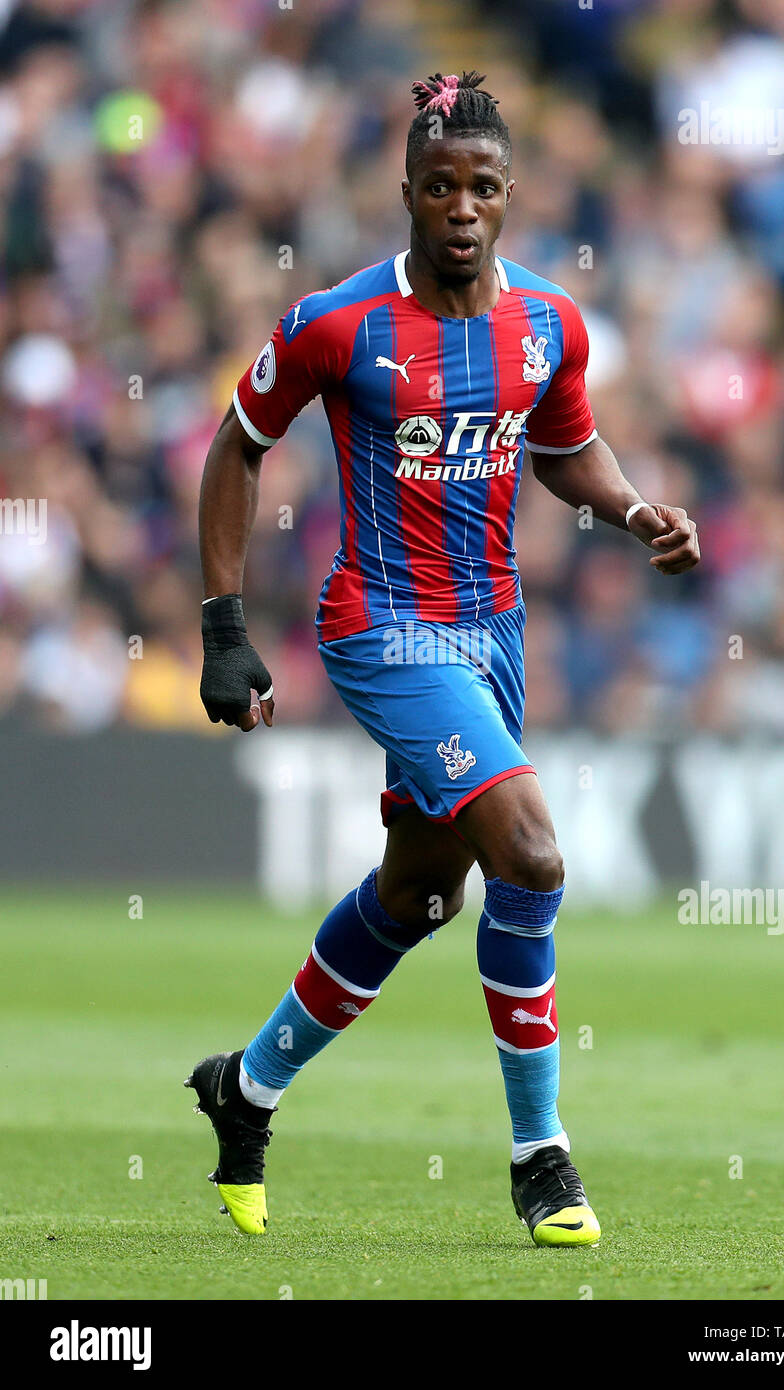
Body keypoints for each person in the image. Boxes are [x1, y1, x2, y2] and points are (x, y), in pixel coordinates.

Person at [187, 71, 700, 1247]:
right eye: (439, 187)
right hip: (383, 626)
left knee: (421, 893)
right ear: (408, 192)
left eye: (482, 186)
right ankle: (541, 1155)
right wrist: (223, 626)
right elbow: (236, 443)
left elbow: (567, 447)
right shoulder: (338, 324)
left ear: (510, 195)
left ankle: (245, 1089)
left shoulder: (550, 325)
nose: (461, 207)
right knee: (533, 854)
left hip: (492, 635)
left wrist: (634, 512)